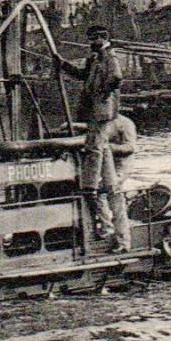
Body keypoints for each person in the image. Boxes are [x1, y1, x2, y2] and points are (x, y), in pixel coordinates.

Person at [57, 24, 125, 249]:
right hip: (94, 110)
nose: (90, 43)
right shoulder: (94, 58)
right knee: (98, 145)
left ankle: (90, 185)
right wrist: (63, 65)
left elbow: (116, 78)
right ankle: (99, 181)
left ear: (103, 38)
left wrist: (103, 93)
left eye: (93, 39)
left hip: (102, 110)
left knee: (95, 146)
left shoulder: (109, 57)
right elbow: (82, 75)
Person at [105, 113, 137, 251]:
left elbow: (130, 147)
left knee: (115, 199)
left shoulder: (125, 123)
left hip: (121, 168)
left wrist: (109, 147)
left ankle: (123, 241)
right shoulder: (103, 121)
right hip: (107, 166)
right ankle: (106, 228)